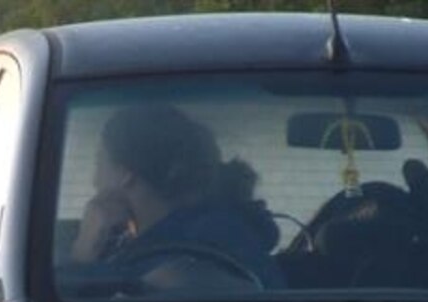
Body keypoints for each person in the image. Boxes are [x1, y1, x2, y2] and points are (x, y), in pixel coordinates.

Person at [68, 103, 284, 289]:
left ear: (126, 174)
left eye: (100, 164)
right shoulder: (230, 231)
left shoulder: (170, 259)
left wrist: (82, 255)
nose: (95, 181)